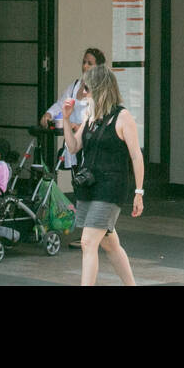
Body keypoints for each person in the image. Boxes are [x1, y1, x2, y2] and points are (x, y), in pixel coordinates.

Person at [62, 64, 144, 286]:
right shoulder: (90, 115)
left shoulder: (123, 116)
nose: (84, 92)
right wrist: (66, 120)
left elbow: (136, 156)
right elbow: (72, 147)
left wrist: (139, 192)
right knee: (110, 244)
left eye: (87, 88)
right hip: (90, 186)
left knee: (88, 242)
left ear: (99, 88)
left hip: (111, 187)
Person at [39, 47, 106, 167]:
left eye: (90, 63)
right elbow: (61, 104)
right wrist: (49, 114)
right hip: (74, 143)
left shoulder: (100, 90)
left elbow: (101, 120)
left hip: (91, 145)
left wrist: (78, 126)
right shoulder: (75, 86)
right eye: (84, 62)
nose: (85, 66)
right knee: (76, 178)